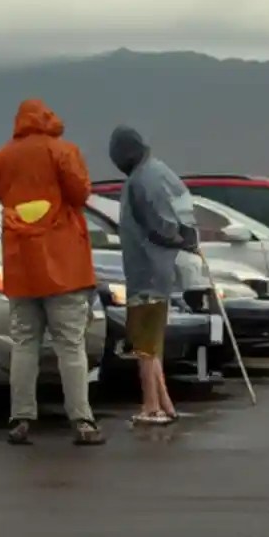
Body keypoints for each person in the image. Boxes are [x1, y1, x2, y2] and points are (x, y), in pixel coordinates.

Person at [0, 98, 104, 446]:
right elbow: (79, 193)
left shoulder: (1, 158)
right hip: (64, 264)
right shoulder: (64, 151)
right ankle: (82, 420)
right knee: (70, 345)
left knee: (24, 344)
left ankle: (20, 418)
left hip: (22, 266)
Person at [108, 125, 205, 426]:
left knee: (144, 344)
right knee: (152, 343)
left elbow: (158, 225)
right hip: (160, 273)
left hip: (144, 273)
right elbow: (180, 213)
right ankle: (165, 402)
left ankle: (151, 406)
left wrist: (176, 238)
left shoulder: (139, 181)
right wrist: (187, 239)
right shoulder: (160, 172)